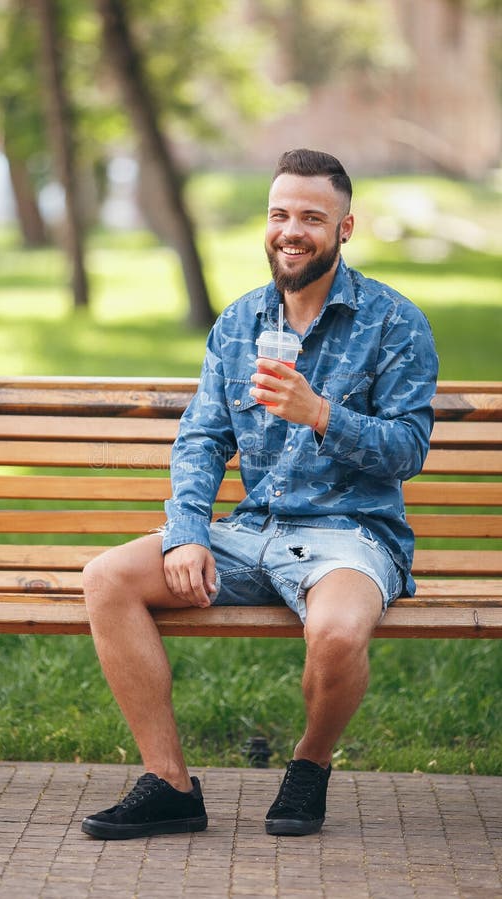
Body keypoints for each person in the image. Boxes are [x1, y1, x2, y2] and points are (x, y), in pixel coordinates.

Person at [80, 148, 438, 841]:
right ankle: (169, 784)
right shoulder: (240, 322)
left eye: (311, 216)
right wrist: (187, 528)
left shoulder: (395, 322)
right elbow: (203, 439)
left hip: (351, 532)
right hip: (252, 529)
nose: (291, 230)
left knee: (334, 633)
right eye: (280, 215)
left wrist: (321, 414)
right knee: (107, 579)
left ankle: (309, 762)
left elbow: (409, 449)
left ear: (345, 227)